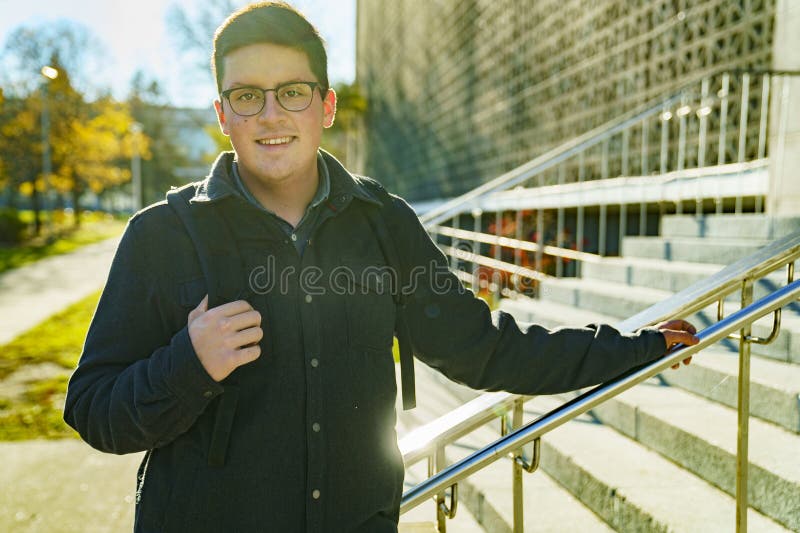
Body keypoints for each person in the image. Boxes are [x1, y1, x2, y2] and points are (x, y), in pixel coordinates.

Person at [63, 2, 699, 531]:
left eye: (292, 92)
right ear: (222, 115)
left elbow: (483, 351)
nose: (272, 114)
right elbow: (93, 410)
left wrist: (634, 350)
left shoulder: (384, 224)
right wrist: (188, 365)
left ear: (326, 106)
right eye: (247, 96)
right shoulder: (161, 236)